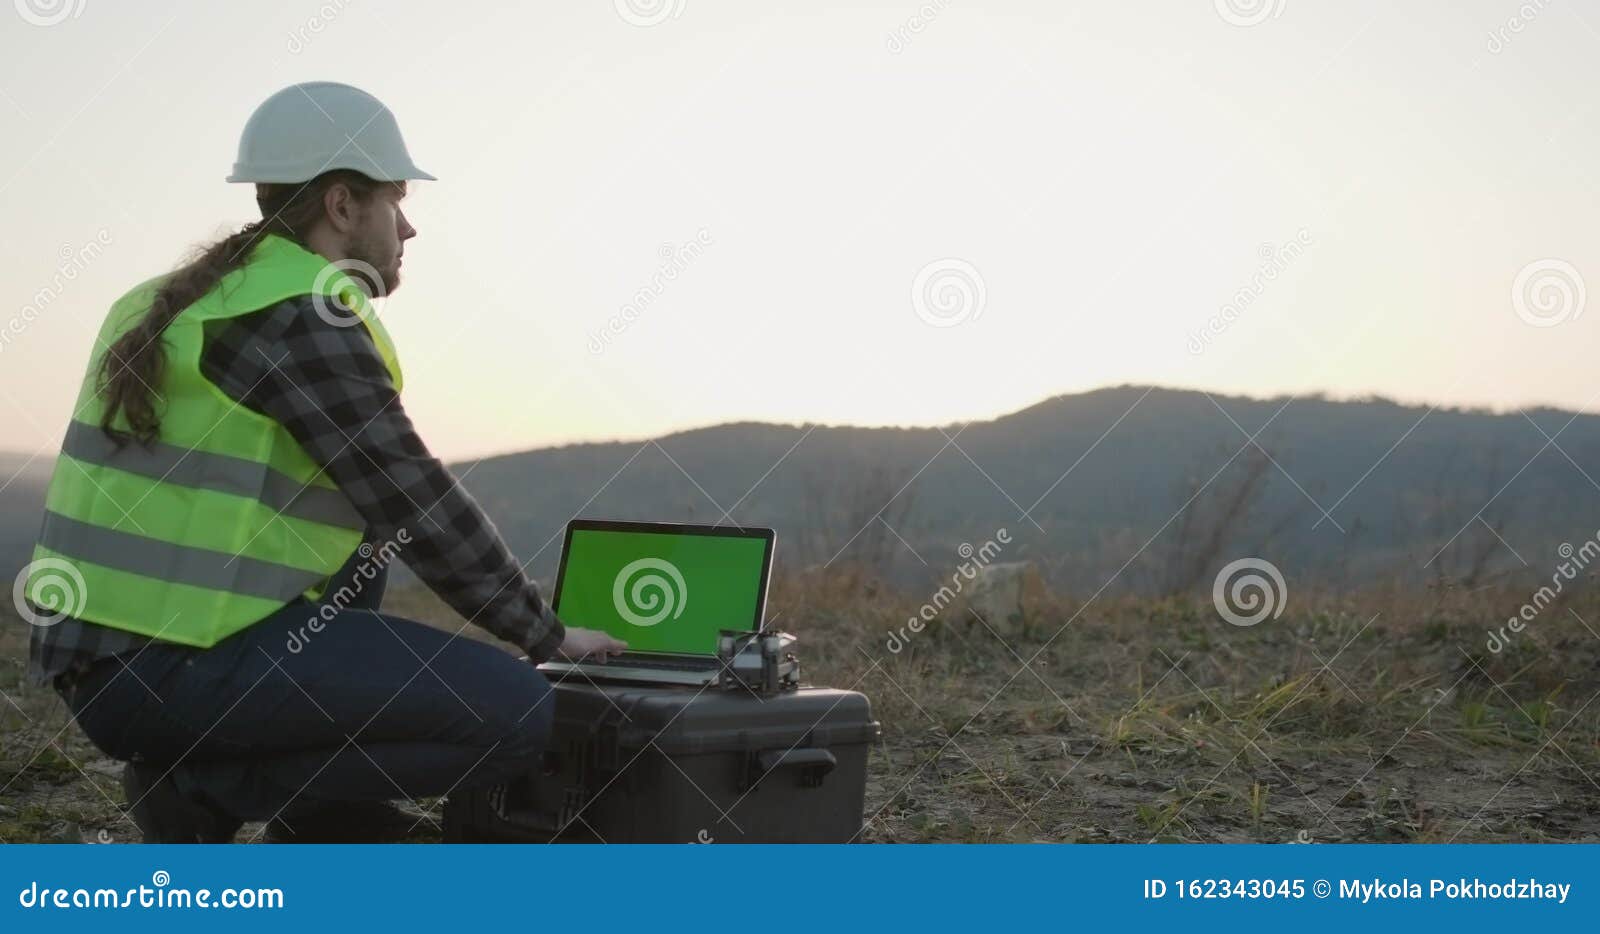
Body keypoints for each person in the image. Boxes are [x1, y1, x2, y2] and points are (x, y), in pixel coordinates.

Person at [18, 81, 627, 843]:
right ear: (342, 206)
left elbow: (373, 501)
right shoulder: (300, 313)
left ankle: (321, 817)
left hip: (107, 661)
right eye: (395, 202)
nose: (408, 228)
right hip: (169, 673)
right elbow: (416, 497)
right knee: (515, 712)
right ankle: (204, 782)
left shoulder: (175, 299)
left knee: (356, 524)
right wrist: (546, 635)